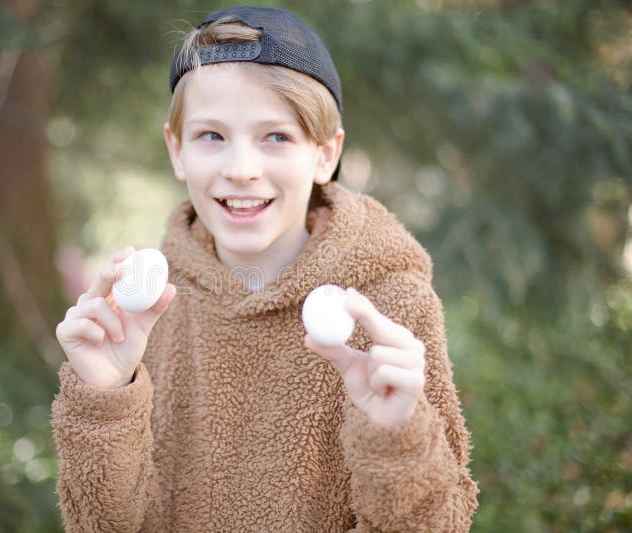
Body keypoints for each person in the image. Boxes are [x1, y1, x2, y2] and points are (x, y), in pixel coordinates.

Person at [51, 6, 478, 531]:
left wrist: (397, 436)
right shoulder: (143, 314)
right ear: (176, 150)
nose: (242, 170)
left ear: (325, 155)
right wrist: (107, 397)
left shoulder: (391, 309)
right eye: (212, 136)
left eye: (276, 137)